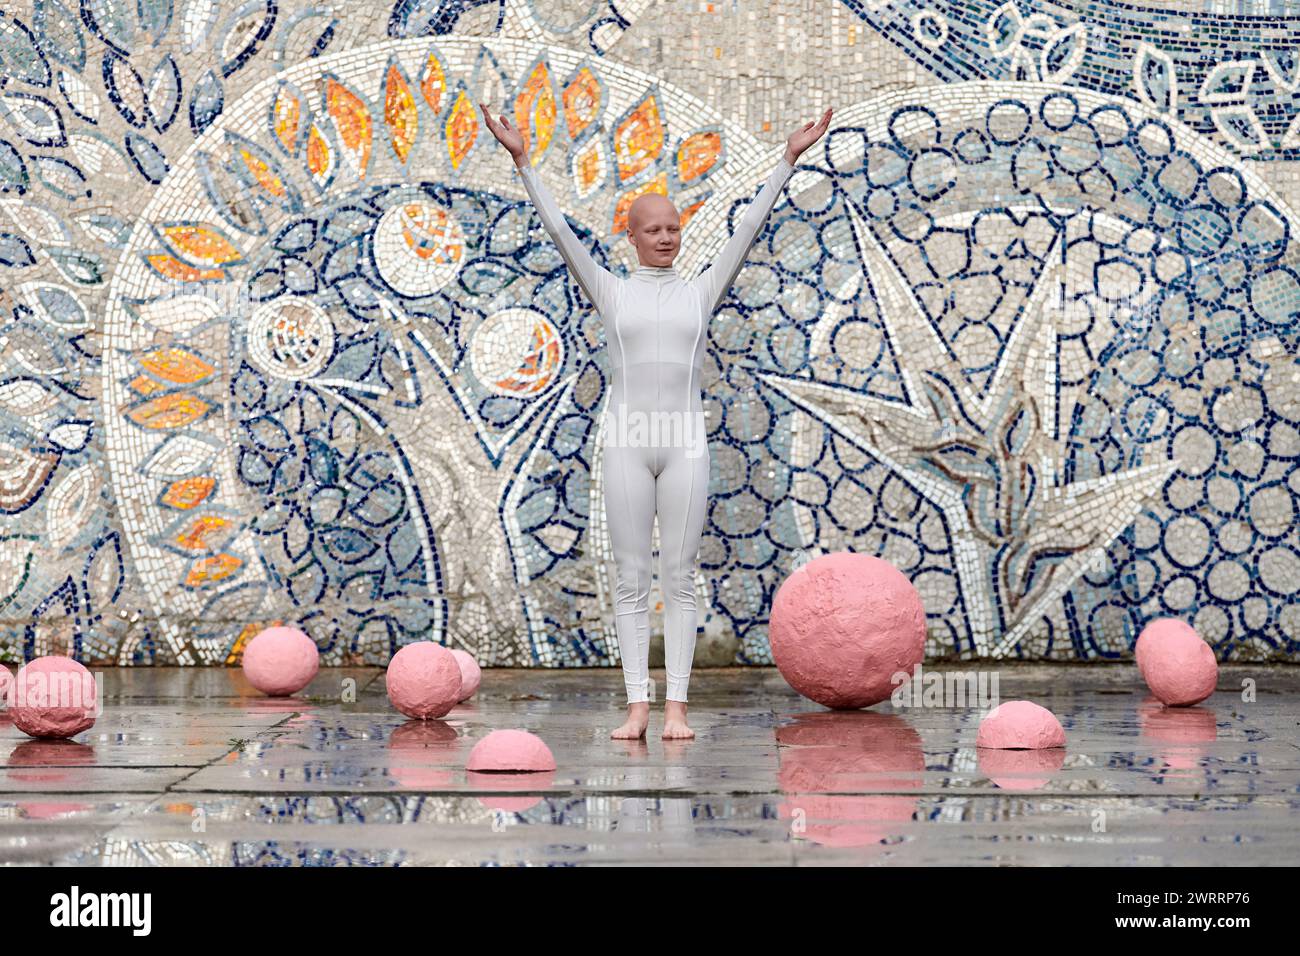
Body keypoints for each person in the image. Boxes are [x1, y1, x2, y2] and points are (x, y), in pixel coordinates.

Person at [481, 102, 832, 739]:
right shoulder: (612, 289)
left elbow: (748, 229)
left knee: (680, 572)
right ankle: (637, 706)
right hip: (626, 441)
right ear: (632, 236)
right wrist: (524, 162)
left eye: (673, 228)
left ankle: (676, 708)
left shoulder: (699, 289)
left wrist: (786, 160)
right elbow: (560, 231)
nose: (667, 238)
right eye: (654, 230)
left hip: (684, 442)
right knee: (631, 576)